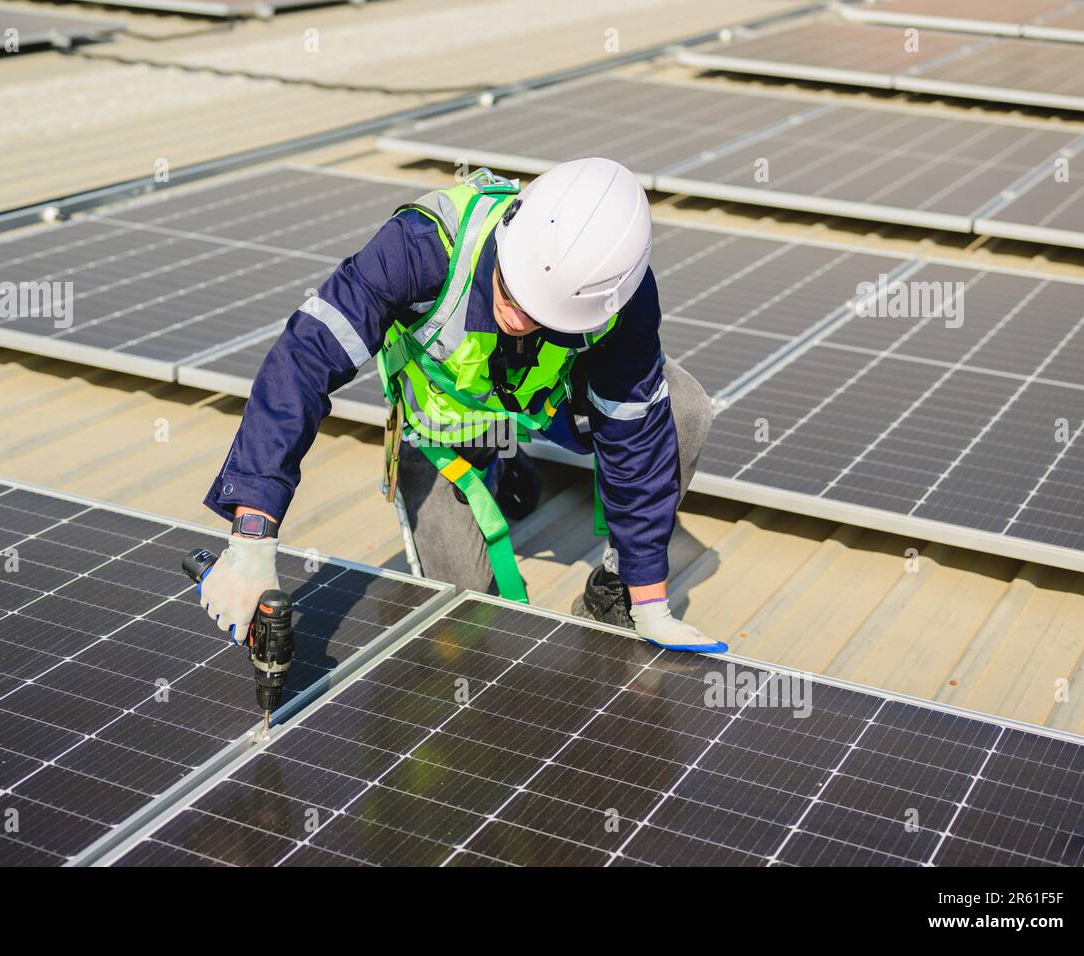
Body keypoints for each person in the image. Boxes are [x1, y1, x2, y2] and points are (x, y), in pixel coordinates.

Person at [197, 157, 724, 653]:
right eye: (511, 293)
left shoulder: (615, 292)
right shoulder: (421, 245)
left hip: (542, 407)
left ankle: (615, 592)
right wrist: (252, 537)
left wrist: (650, 598)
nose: (518, 318)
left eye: (542, 314)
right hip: (444, 432)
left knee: (681, 408)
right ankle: (497, 460)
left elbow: (638, 438)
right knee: (467, 626)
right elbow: (302, 361)